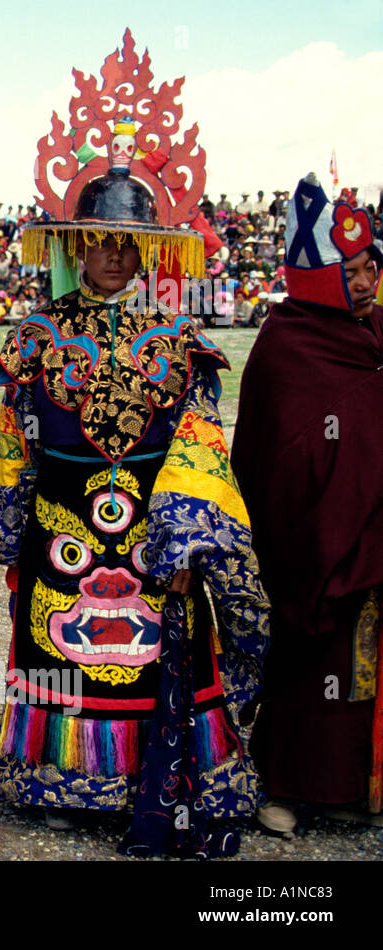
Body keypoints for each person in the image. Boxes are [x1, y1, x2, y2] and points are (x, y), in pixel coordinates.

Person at [0, 33, 268, 858]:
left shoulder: (183, 342)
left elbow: (199, 443)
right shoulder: (34, 336)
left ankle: (151, 779)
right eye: (100, 240)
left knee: (151, 646)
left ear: (149, 248)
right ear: (76, 243)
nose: (113, 256)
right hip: (64, 525)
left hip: (155, 521)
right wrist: (14, 522)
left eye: (128, 243)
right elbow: (15, 441)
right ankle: (57, 782)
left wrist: (185, 530)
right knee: (63, 648)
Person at [232, 173, 383, 832]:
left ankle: (359, 786)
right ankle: (292, 787)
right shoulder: (285, 345)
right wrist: (314, 527)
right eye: (350, 270)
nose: (367, 280)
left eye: (372, 265)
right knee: (309, 666)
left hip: (373, 540)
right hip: (306, 545)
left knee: (364, 669)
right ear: (316, 274)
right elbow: (274, 457)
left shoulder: (375, 334)